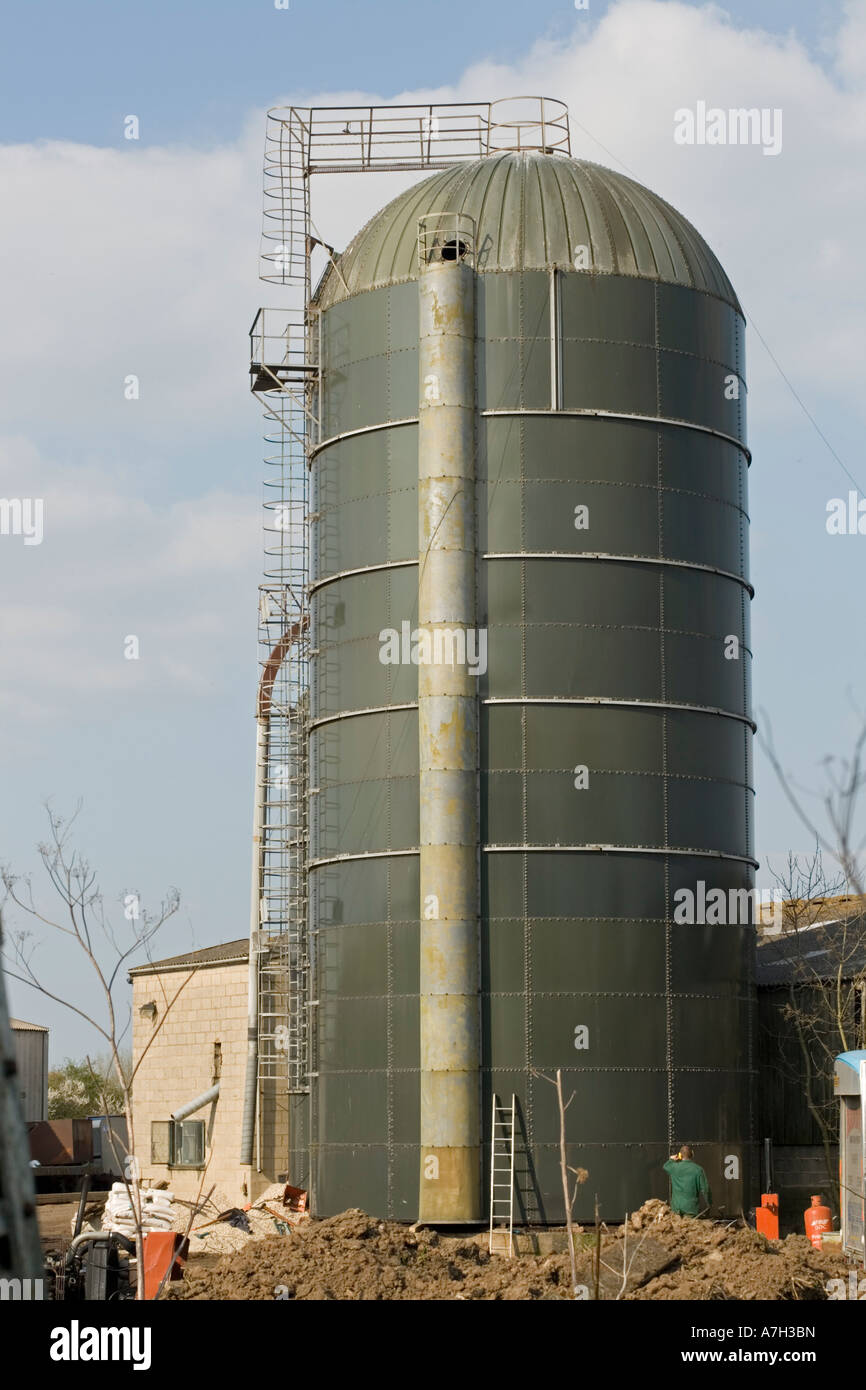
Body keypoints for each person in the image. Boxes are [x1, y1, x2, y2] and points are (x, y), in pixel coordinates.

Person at [663, 1144, 711, 1216]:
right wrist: (709, 1204)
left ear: (680, 1155)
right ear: (692, 1154)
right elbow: (705, 1189)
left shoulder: (674, 1167)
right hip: (691, 1209)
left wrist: (671, 1159)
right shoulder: (698, 1169)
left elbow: (665, 1166)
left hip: (676, 1208)